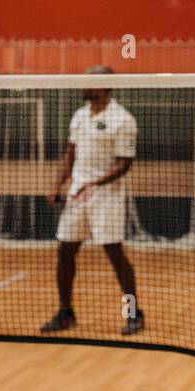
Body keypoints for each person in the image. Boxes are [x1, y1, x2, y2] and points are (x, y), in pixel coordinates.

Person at [41, 66, 144, 336]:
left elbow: (124, 163)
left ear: (103, 86)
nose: (82, 85)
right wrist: (57, 184)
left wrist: (96, 183)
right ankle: (66, 312)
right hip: (78, 193)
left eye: (88, 82)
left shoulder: (122, 119)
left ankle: (133, 313)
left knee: (114, 252)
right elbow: (70, 155)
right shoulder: (79, 116)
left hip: (106, 195)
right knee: (65, 249)